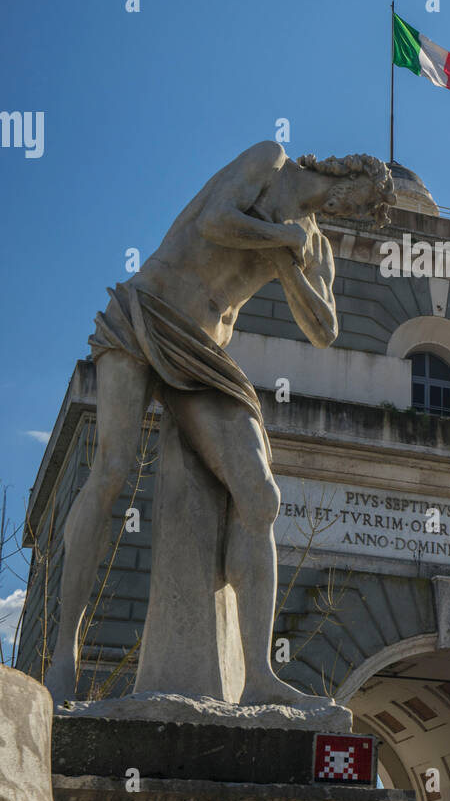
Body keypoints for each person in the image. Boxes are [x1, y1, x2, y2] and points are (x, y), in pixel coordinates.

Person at [45, 142, 395, 705]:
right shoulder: (269, 163)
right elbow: (214, 221)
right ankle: (66, 655)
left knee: (260, 496)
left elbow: (324, 330)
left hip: (205, 354)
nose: (357, 214)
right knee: (112, 469)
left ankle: (258, 677)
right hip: (147, 315)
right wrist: (282, 239)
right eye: (366, 202)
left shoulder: (318, 246)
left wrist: (293, 263)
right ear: (351, 175)